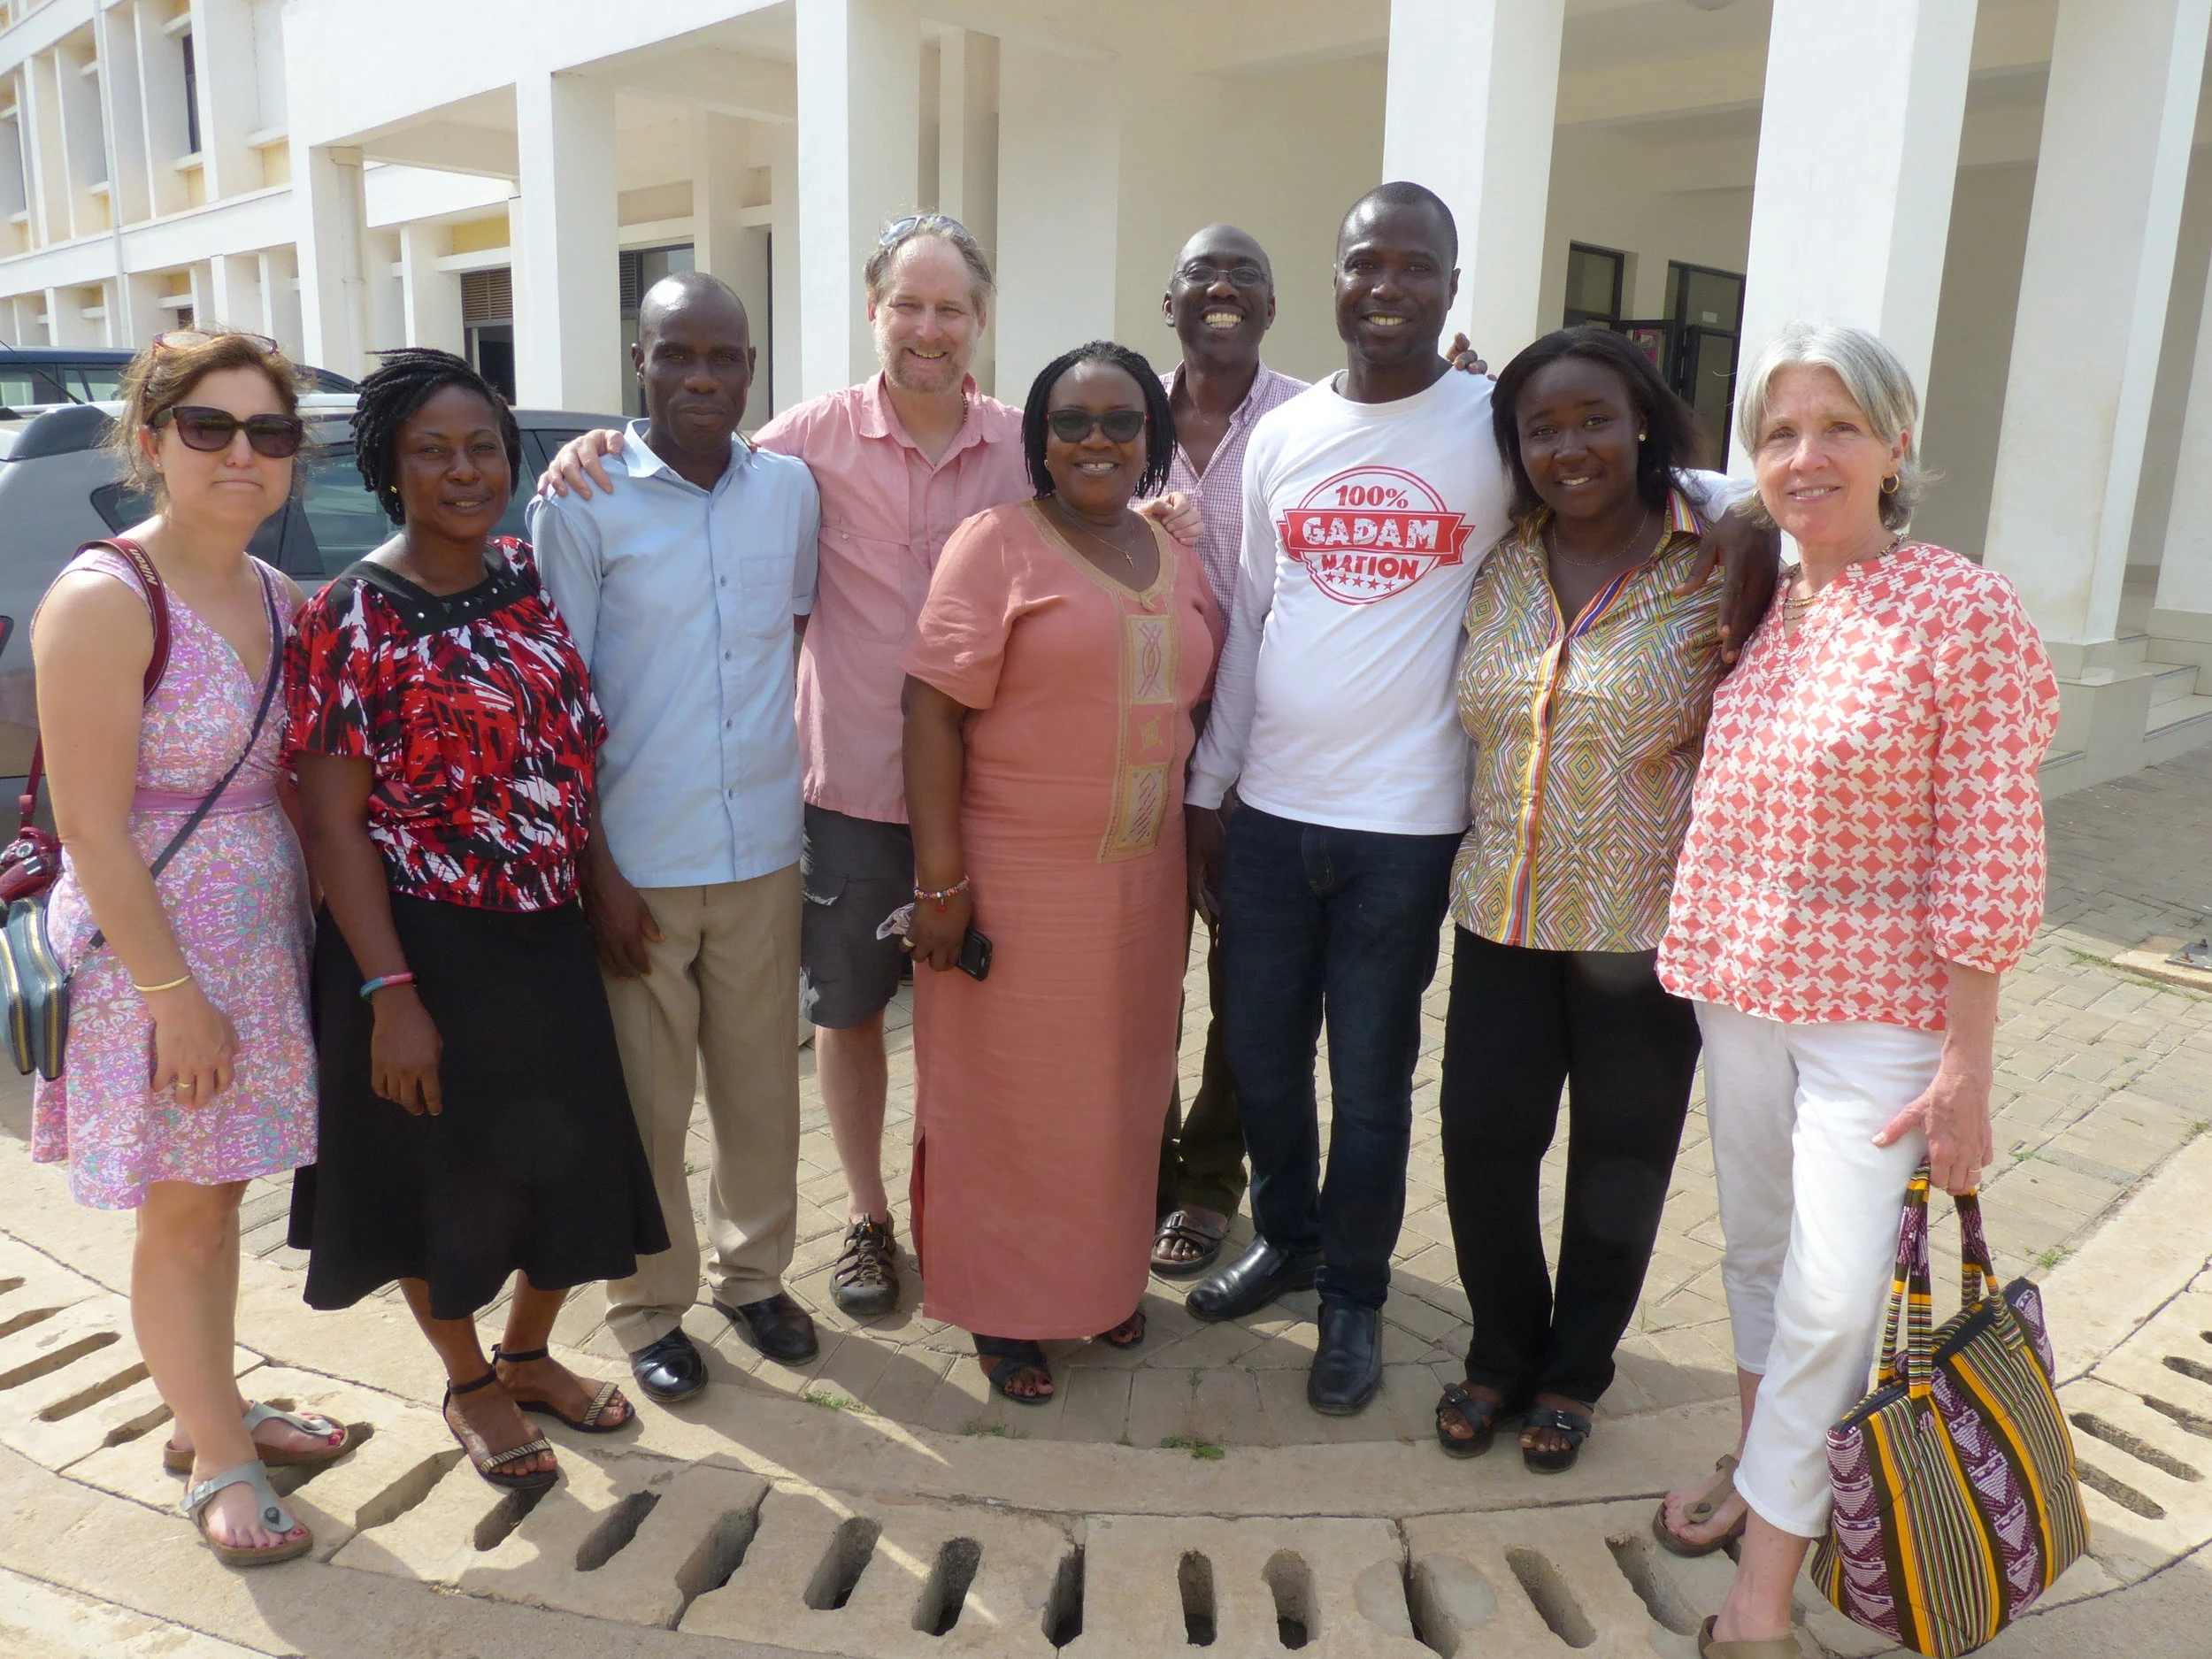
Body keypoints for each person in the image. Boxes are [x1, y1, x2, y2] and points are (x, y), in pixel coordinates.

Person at [1182, 181, 1772, 1419]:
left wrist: (1757, 512)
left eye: (1414, 265)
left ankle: (1353, 1290)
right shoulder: (1281, 437)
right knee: (1260, 1058)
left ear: (1452, 285)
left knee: (1375, 1080)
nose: (1386, 285)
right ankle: (1286, 1235)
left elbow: (1644, 472)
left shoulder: (1488, 426)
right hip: (1273, 815)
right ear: (1334, 279)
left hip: (1409, 828)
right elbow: (1248, 624)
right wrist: (1208, 787)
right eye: (1363, 262)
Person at [538, 219, 1198, 1324]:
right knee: (846, 1021)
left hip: (989, 810)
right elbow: (701, 470)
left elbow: (1090, 518)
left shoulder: (1018, 442)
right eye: (907, 305)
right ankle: (868, 1219)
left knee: (982, 1037)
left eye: (949, 308)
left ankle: (976, 1222)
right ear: (874, 311)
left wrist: (1155, 513)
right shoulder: (802, 445)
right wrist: (591, 446)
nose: (928, 329)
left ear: (979, 319)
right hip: (848, 792)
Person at [1649, 322, 2058, 1659]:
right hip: (1742, 987)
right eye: (1777, 433)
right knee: (1760, 1256)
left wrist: (1969, 1060)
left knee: (1833, 1296)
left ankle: (1763, 1595)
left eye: (1836, 427)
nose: (1804, 455)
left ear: (1896, 445)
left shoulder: (1960, 606)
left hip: (1880, 1019)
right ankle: (1772, 1468)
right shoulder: (1776, 594)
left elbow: (1990, 838)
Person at [288, 348, 667, 1497]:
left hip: (546, 931)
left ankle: (531, 1353)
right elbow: (335, 826)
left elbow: (564, 747)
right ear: (388, 468)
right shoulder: (350, 616)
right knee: (438, 1182)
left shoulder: (520, 571)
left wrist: (598, 873)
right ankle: (467, 1379)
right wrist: (388, 993)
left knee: (575, 1165)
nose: (465, 469)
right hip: (423, 943)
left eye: (483, 446)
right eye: (433, 451)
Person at [29, 328, 344, 1566]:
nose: (241, 455)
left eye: (269, 433)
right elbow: (91, 831)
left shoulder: (277, 595)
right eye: (208, 427)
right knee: (183, 1217)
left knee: (215, 1201)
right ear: (151, 441)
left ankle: (207, 1404)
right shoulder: (108, 598)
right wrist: (175, 996)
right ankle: (218, 1454)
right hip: (153, 966)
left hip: (255, 946)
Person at [899, 341, 1221, 1402]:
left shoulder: (1177, 556)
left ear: (1152, 440)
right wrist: (942, 886)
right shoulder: (993, 547)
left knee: (1118, 1096)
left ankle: (1095, 1283)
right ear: (1037, 441)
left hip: (1140, 885)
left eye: (1120, 422)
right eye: (1070, 422)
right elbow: (931, 712)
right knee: (1011, 1099)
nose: (1095, 440)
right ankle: (1004, 1308)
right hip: (1011, 880)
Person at [1432, 326, 1727, 1475]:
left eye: (1593, 418)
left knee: (1621, 1156)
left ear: (1643, 418)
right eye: (1540, 429)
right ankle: (1502, 1348)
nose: (1571, 448)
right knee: (1483, 1142)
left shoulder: (1715, 564)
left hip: (1644, 934)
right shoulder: (1500, 561)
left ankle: (1576, 1371)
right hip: (1501, 915)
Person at [530, 272, 822, 1402]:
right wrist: (592, 871)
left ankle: (755, 1279)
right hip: (637, 864)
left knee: (759, 1094)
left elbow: (788, 635)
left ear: (751, 367)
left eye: (724, 356)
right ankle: (649, 1303)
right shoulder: (583, 499)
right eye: (677, 355)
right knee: (649, 1109)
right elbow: (557, 702)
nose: (702, 376)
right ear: (640, 365)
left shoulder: (788, 491)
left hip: (762, 853)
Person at [1147, 225, 1309, 1281]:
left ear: (1269, 304)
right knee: (1133, 980)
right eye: (1200, 271)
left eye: (1245, 272)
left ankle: (1209, 1180)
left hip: (1270, 761)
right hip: (1134, 750)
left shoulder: (1312, 419)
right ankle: (1135, 1165)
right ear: (1170, 303)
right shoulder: (1118, 409)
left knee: (1248, 988)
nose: (1221, 287)